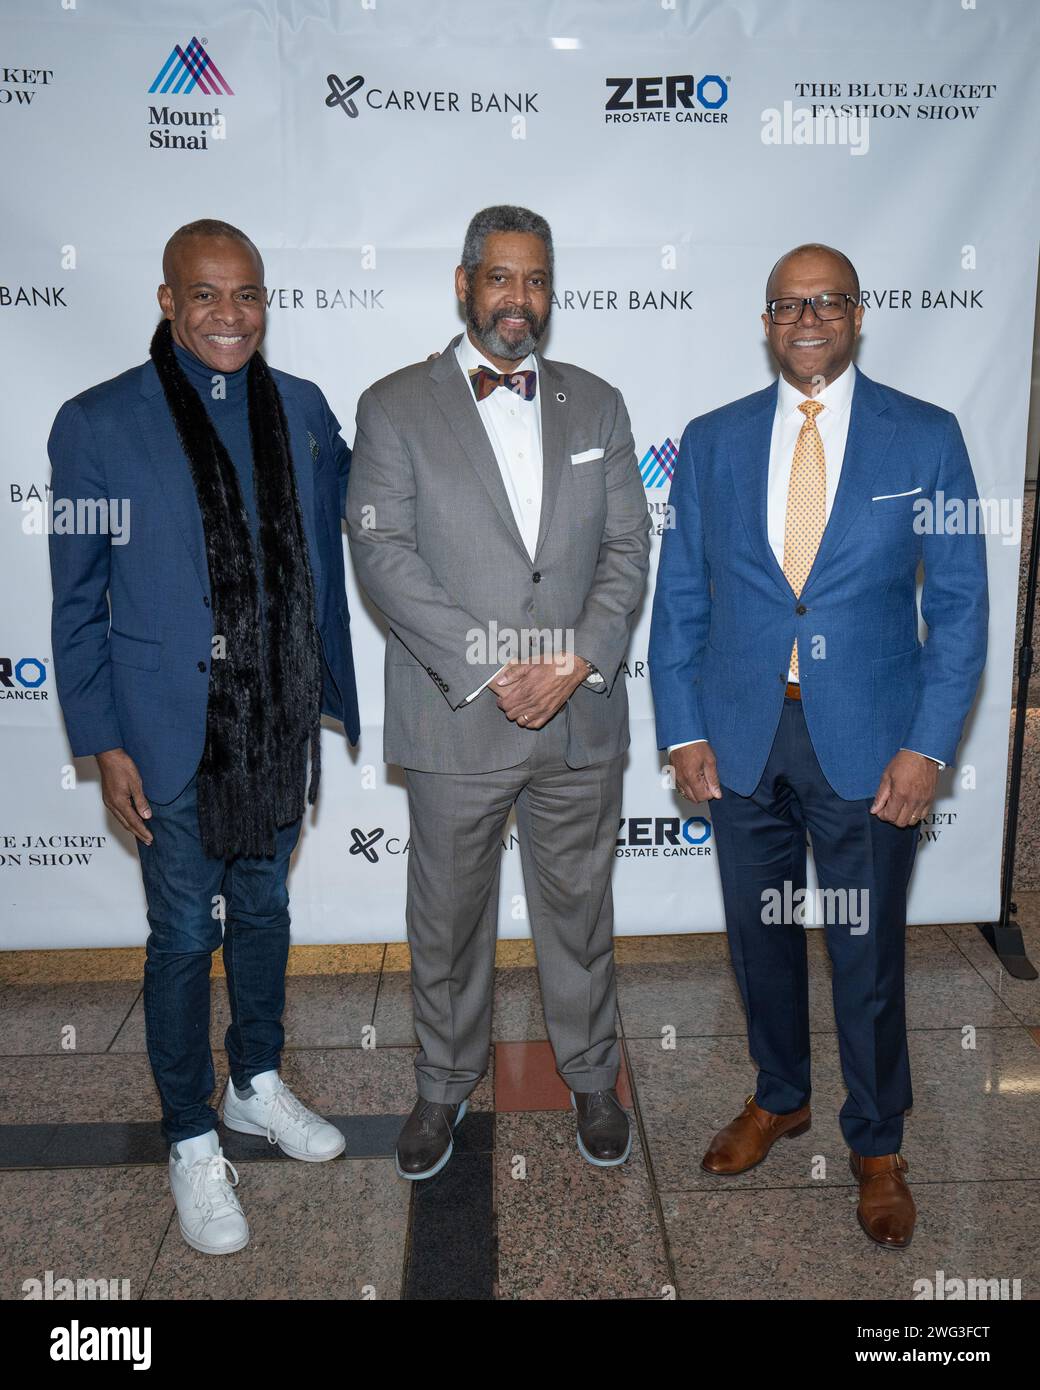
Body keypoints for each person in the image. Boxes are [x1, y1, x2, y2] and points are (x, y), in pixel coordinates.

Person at [648, 243, 988, 1248]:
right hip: (743, 738)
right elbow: (680, 602)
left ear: (855, 313)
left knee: (866, 954)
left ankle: (875, 1142)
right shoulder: (711, 441)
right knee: (756, 940)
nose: (806, 319)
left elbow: (960, 609)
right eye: (787, 305)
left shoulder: (924, 438)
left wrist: (926, 747)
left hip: (868, 744)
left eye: (825, 302)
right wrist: (681, 726)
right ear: (763, 321)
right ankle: (779, 1094)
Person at [48, 219, 360, 1254]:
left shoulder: (305, 411)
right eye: (206, 296)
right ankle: (190, 1136)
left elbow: (379, 505)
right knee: (186, 934)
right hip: (168, 730)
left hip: (274, 724)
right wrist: (101, 740)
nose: (229, 316)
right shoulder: (95, 423)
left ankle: (254, 1081)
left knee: (264, 911)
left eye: (247, 296)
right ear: (167, 301)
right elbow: (74, 599)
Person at [347, 205, 650, 1179]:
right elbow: (382, 553)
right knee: (445, 922)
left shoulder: (596, 404)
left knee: (578, 913)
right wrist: (496, 663)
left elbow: (624, 548)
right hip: (457, 714)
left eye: (536, 281)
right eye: (501, 279)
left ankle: (593, 1076)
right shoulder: (393, 406)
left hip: (577, 713)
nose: (519, 300)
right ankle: (441, 1085)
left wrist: (572, 659)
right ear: (463, 282)